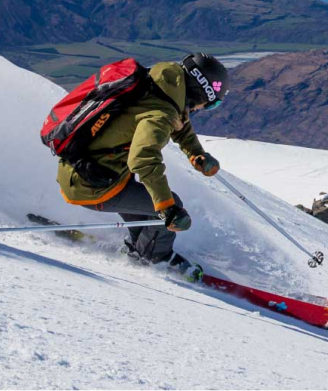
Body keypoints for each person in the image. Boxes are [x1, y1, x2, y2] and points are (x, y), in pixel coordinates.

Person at [55, 53, 229, 268]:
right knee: (169, 208)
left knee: (150, 207)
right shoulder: (161, 112)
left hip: (89, 170)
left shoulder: (159, 83)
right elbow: (143, 159)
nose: (202, 109)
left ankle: (139, 246)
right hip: (94, 184)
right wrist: (167, 208)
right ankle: (155, 259)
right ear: (200, 91)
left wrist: (196, 153)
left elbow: (178, 121)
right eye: (209, 104)